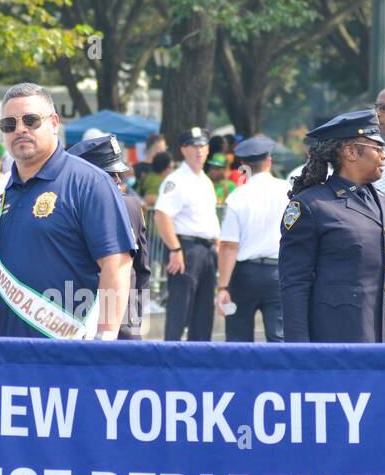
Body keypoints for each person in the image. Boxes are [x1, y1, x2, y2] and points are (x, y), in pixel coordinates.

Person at [0, 83, 133, 339]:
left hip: (72, 352)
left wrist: (105, 339)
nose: (20, 129)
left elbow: (116, 266)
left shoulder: (89, 183)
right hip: (5, 352)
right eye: (10, 124)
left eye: (31, 120)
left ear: (54, 122)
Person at [280, 109, 385, 343]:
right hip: (341, 343)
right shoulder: (312, 205)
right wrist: (298, 351)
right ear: (351, 151)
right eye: (378, 148)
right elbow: (294, 284)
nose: (384, 155)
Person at [68, 134, 150, 339]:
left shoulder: (130, 206)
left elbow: (141, 269)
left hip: (122, 320)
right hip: (77, 317)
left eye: (118, 174)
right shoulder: (68, 210)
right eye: (109, 175)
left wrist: (133, 317)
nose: (117, 181)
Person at [216, 135, 286, 342]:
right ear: (269, 161)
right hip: (279, 271)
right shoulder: (288, 191)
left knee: (238, 339)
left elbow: (229, 246)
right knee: (279, 338)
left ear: (243, 165)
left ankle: (241, 376)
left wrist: (223, 287)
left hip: (244, 274)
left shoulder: (238, 196)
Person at [156, 127, 220, 341]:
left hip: (207, 250)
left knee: (204, 314)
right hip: (186, 249)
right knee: (179, 311)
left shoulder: (205, 181)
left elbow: (209, 219)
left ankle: (199, 364)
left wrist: (217, 246)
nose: (199, 150)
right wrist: (175, 249)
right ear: (183, 150)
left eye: (202, 145)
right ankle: (169, 363)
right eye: (193, 146)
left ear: (208, 148)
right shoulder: (176, 181)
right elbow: (161, 216)